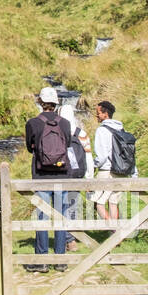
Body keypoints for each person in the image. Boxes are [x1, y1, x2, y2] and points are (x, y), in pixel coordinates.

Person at [24, 87, 81, 270]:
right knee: (61, 215)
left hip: (41, 175)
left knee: (41, 216)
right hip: (62, 174)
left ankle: (41, 261)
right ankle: (61, 261)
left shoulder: (32, 123)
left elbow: (29, 147)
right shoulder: (65, 123)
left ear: (40, 102)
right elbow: (67, 143)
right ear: (57, 103)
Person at [59, 102, 91, 253]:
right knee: (72, 206)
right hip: (78, 174)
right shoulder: (81, 133)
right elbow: (89, 156)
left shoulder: (57, 130)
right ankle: (72, 237)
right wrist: (89, 177)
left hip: (61, 174)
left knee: (60, 208)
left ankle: (68, 239)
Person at [91, 100, 130, 222]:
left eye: (98, 112)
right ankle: (116, 236)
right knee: (113, 203)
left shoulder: (102, 130)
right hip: (121, 171)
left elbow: (102, 156)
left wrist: (93, 164)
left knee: (98, 203)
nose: (96, 115)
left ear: (105, 114)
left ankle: (114, 231)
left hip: (106, 171)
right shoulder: (121, 128)